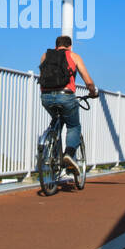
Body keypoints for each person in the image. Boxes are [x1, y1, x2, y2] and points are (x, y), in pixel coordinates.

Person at [38, 35, 97, 173]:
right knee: (74, 126)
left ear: (56, 45)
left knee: (57, 118)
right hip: (66, 96)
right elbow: (88, 82)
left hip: (46, 97)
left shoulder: (45, 56)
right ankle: (69, 154)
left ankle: (52, 144)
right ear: (70, 46)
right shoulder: (74, 56)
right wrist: (93, 92)